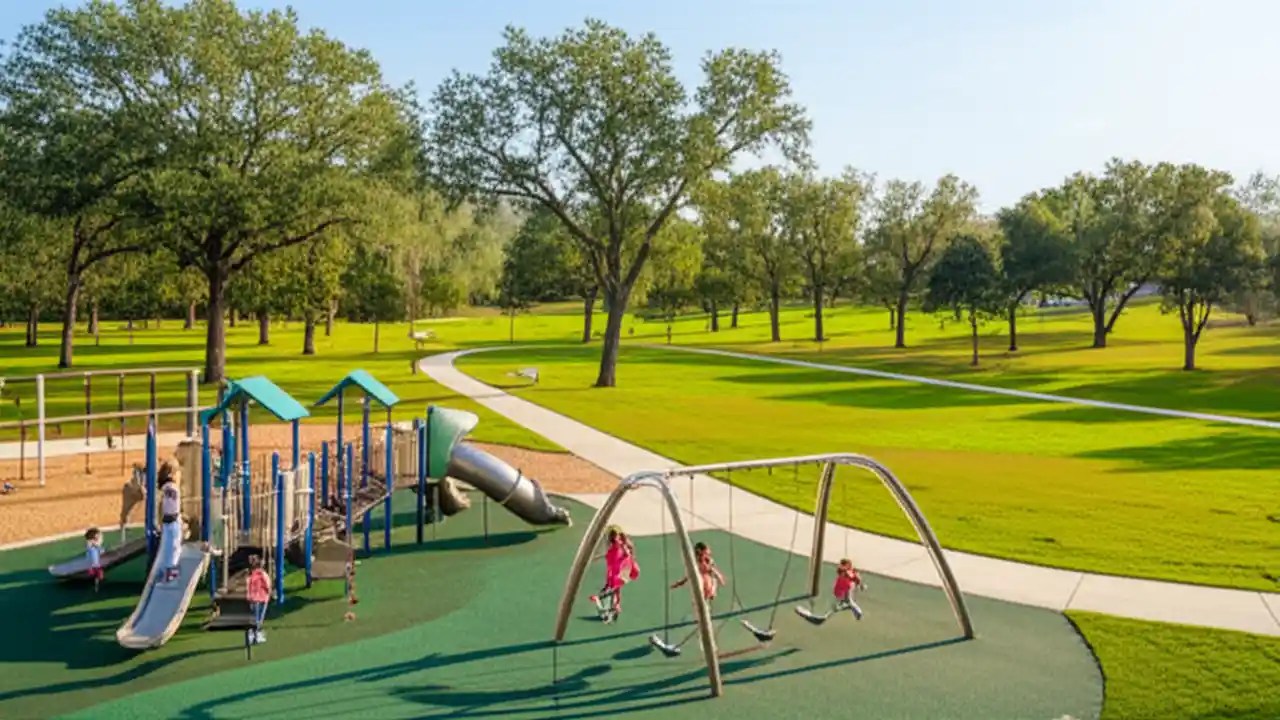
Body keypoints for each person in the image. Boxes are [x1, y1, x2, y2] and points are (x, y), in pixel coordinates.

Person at [588, 525, 640, 623]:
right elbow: (609, 555)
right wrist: (596, 558)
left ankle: (612, 604)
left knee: (614, 587)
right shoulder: (616, 546)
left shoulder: (619, 545)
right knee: (615, 589)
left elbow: (625, 554)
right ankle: (614, 605)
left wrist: (626, 552)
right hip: (619, 572)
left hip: (621, 572)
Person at [796, 558, 866, 624]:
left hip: (844, 594)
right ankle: (853, 610)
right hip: (840, 593)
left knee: (847, 602)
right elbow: (842, 571)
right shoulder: (843, 572)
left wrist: (860, 584)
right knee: (842, 604)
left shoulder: (851, 573)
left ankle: (854, 610)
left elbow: (855, 578)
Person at [156, 460, 184, 582]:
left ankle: (163, 570)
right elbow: (174, 506)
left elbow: (161, 506)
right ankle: (171, 571)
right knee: (174, 547)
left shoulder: (163, 487)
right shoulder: (173, 487)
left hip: (166, 521)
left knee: (166, 547)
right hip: (173, 520)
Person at [246, 555, 272, 644]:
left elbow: (248, 586)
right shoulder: (262, 574)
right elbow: (267, 585)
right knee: (259, 618)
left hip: (253, 599)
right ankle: (257, 634)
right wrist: (269, 592)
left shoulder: (250, 575)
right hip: (262, 598)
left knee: (254, 617)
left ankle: (252, 635)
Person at [84, 528, 104, 592]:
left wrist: (98, 545)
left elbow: (101, 550)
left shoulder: (96, 544)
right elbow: (89, 546)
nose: (98, 536)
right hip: (91, 565)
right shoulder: (89, 543)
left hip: (96, 564)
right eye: (97, 534)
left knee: (99, 576)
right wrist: (95, 544)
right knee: (93, 576)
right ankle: (94, 586)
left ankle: (96, 587)